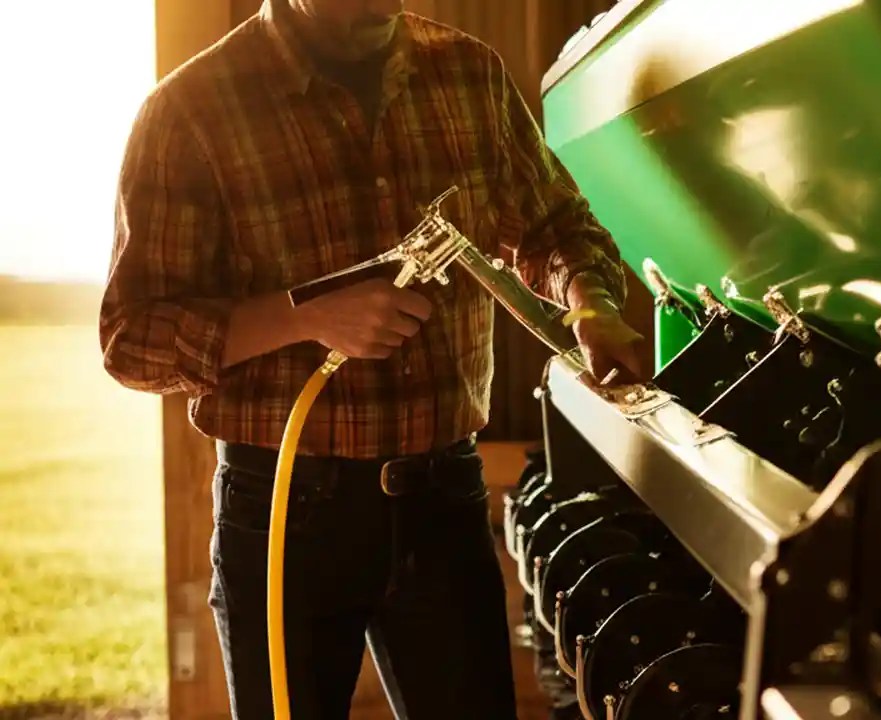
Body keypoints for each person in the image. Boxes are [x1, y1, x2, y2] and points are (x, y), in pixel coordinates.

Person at [99, 0, 647, 717]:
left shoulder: (469, 76)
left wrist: (590, 305)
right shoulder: (192, 110)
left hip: (443, 499)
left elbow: (556, 226)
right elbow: (131, 338)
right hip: (285, 513)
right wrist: (305, 316)